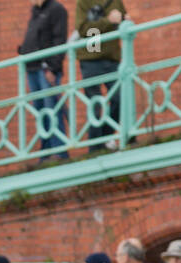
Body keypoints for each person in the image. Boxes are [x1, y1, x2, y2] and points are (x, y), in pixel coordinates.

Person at [20, 0, 71, 161]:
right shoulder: (36, 11)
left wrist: (52, 67)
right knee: (40, 112)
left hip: (46, 69)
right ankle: (46, 152)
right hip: (32, 68)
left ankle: (59, 151)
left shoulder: (56, 9)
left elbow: (59, 40)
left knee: (52, 109)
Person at [75, 0, 129, 152]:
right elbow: (83, 29)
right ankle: (95, 146)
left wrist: (125, 21)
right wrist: (108, 21)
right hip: (91, 57)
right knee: (95, 103)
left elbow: (121, 21)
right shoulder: (83, 3)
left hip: (112, 58)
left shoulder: (115, 1)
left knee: (119, 99)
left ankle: (105, 137)